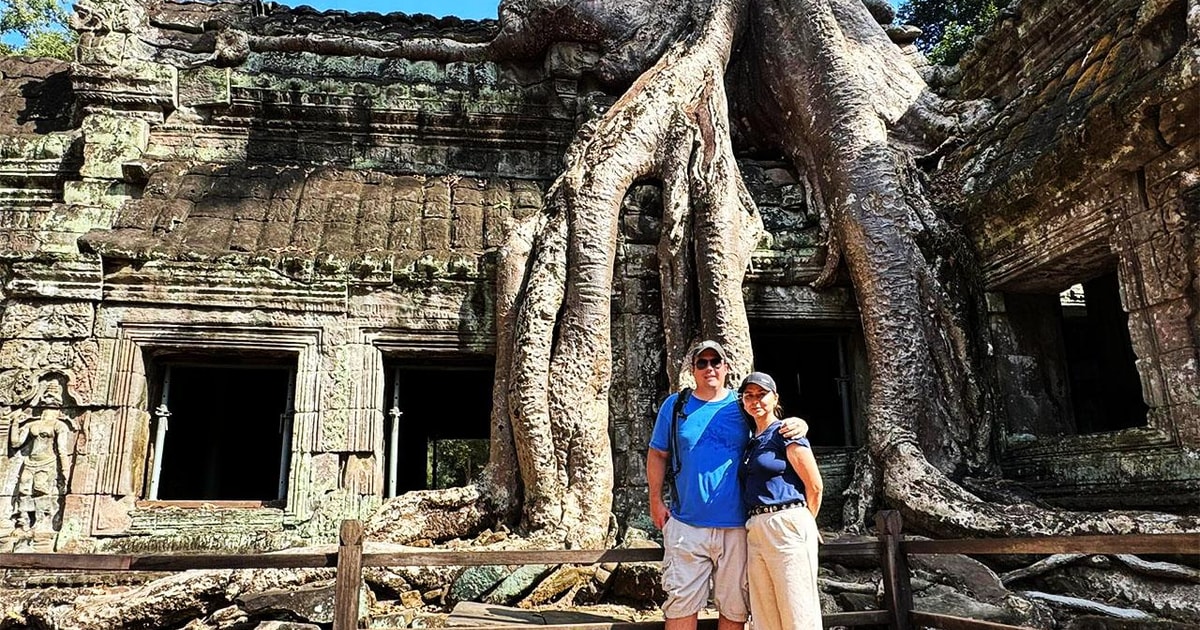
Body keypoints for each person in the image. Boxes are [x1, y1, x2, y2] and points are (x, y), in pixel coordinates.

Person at [646, 341, 806, 630]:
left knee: (735, 607)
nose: (709, 368)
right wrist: (655, 500)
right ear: (693, 370)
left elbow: (771, 425)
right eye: (702, 363)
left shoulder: (741, 406)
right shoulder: (676, 406)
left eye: (715, 362)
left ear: (726, 368)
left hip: (737, 526)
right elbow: (658, 454)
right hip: (686, 523)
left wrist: (799, 423)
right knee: (680, 603)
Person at [738, 371, 823, 630]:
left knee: (797, 609)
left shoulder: (787, 432)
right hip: (756, 527)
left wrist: (803, 522)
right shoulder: (750, 442)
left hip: (787, 520)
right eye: (749, 396)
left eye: (762, 394)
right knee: (765, 615)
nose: (756, 401)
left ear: (775, 398)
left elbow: (815, 485)